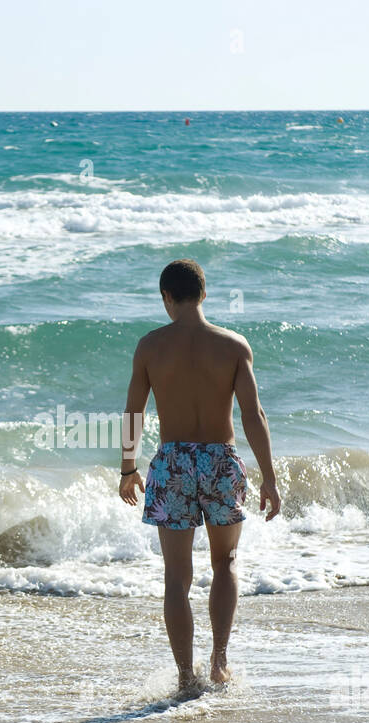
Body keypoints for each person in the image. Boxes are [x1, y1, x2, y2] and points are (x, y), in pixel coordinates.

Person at [119, 259, 281, 694]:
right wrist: (269, 477)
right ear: (204, 294)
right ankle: (220, 662)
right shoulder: (233, 346)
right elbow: (253, 414)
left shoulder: (150, 347)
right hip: (220, 461)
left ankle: (185, 676)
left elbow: (134, 412)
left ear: (166, 298)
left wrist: (128, 468)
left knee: (177, 576)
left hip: (172, 463)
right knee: (224, 563)